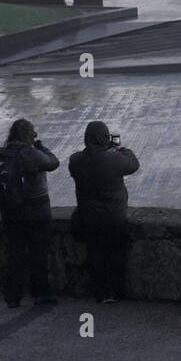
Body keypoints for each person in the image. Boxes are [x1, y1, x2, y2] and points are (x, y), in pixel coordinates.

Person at [68, 121, 140, 303]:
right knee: (116, 253)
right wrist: (121, 149)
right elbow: (133, 165)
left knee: (95, 253)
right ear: (105, 138)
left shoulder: (75, 160)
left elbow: (90, 163)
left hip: (89, 216)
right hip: (114, 216)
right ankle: (115, 292)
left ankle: (99, 292)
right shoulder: (114, 159)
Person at [0, 118, 60, 308]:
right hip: (35, 210)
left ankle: (13, 296)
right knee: (38, 253)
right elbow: (53, 162)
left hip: (10, 210)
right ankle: (42, 293)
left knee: (15, 253)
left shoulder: (2, 153)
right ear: (30, 135)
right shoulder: (30, 153)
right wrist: (41, 146)